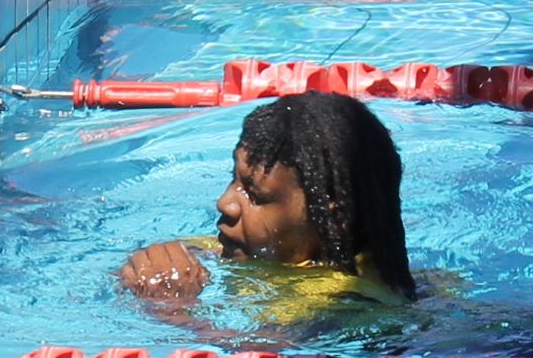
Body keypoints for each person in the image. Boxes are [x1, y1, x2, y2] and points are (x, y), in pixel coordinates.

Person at [118, 93, 419, 316]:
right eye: (233, 180)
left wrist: (175, 311)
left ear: (334, 217)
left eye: (255, 195)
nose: (226, 203)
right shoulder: (265, 252)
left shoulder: (351, 307)